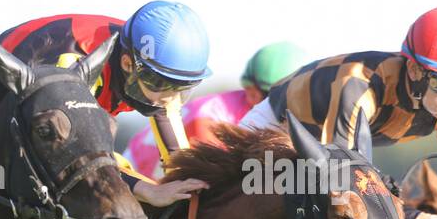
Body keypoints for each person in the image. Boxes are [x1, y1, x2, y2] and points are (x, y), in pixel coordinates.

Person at [241, 6, 437, 219]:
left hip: (333, 149)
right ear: (415, 70)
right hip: (275, 127)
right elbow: (343, 181)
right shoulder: (359, 88)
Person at [0, 1, 215, 206]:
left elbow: (178, 159)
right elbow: (77, 155)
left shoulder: (150, 69)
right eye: (160, 83)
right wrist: (145, 188)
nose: (169, 98)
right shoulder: (75, 63)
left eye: (181, 87)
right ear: (128, 63)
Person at [122, 41, 308, 179]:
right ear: (252, 92)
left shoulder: (253, 108)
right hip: (138, 178)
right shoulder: (209, 119)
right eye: (279, 99)